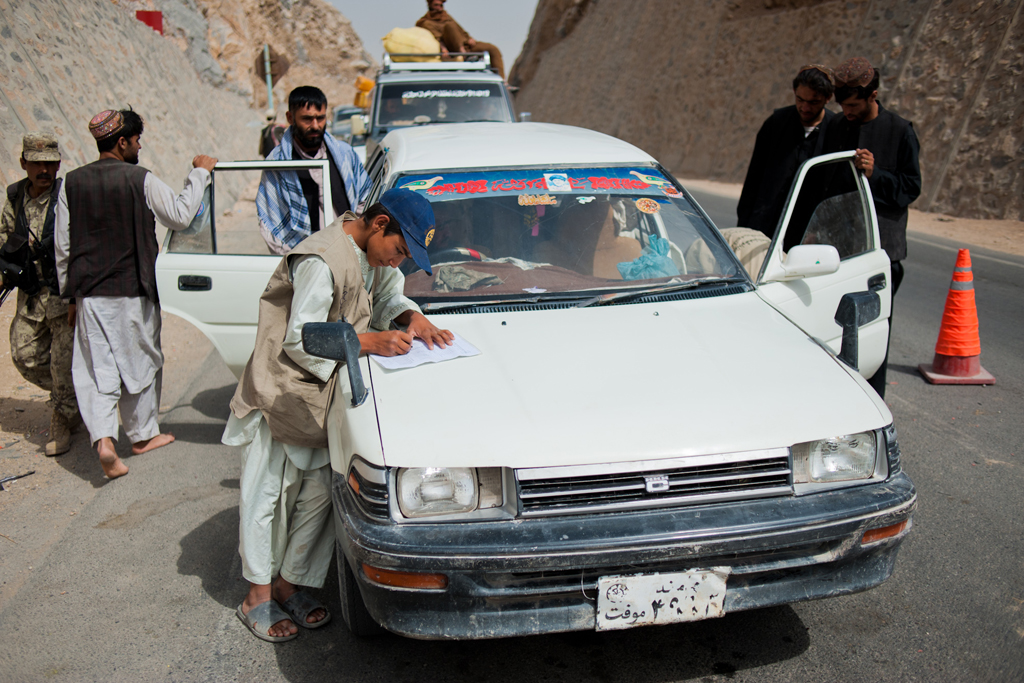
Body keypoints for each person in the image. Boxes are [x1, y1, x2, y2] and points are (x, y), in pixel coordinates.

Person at [226, 188, 453, 642]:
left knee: (317, 499)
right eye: (400, 250)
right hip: (284, 394)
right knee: (269, 496)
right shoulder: (321, 258)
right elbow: (300, 337)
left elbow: (387, 299)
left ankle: (288, 586)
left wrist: (412, 318)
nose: (399, 262)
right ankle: (256, 594)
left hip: (325, 397)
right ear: (379, 225)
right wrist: (367, 343)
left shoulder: (376, 257)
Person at [54, 109, 217, 479]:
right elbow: (179, 215)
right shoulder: (139, 179)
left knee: (98, 369)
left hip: (90, 296)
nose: (140, 145)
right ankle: (142, 437)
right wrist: (200, 173)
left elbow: (63, 247)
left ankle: (105, 441)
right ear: (122, 141)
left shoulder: (70, 184)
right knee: (141, 363)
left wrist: (70, 298)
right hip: (132, 292)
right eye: (137, 139)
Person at [823, 57, 922, 398]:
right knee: (830, 330)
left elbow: (909, 189)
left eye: (853, 105)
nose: (847, 112)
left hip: (881, 253)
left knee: (871, 335)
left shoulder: (900, 131)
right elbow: (822, 185)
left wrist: (875, 173)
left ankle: (869, 404)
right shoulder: (836, 127)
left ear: (873, 95)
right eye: (843, 106)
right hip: (838, 249)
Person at [0, 133, 80, 456]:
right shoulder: (15, 198)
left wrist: (76, 295)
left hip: (62, 297)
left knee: (62, 365)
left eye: (49, 163)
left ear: (58, 164)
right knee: (23, 354)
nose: (43, 170)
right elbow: (4, 239)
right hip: (32, 297)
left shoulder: (66, 196)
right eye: (36, 163)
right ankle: (77, 398)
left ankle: (63, 417)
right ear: (23, 163)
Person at [257, 86, 371, 255]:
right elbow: (271, 224)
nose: (315, 125)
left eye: (320, 118)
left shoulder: (344, 154)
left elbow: (366, 200)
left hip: (349, 253)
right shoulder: (277, 164)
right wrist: (299, 261)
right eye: (307, 119)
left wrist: (356, 240)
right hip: (304, 260)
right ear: (290, 118)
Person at [737, 65, 837, 238]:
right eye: (800, 100)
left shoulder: (835, 131)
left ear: (827, 98)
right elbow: (754, 178)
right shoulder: (776, 123)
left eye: (813, 102)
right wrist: (744, 225)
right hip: (764, 224)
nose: (805, 108)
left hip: (806, 232)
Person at [416, 0, 505, 80]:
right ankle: (464, 55)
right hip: (451, 48)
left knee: (492, 49)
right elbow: (437, 39)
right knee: (449, 26)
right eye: (436, 5)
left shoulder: (446, 17)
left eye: (441, 5)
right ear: (430, 5)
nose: (439, 8)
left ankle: (502, 81)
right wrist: (443, 49)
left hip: (465, 44)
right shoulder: (426, 23)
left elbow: (460, 30)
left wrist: (469, 38)